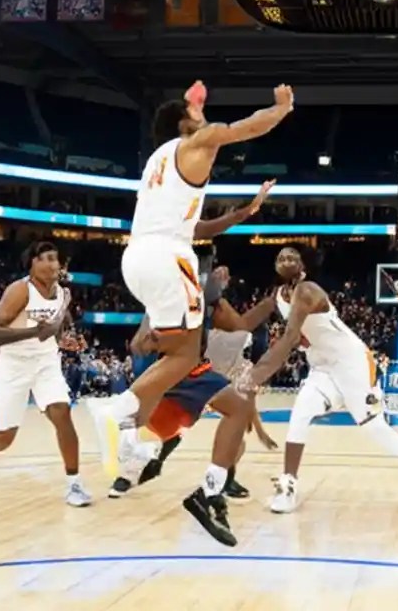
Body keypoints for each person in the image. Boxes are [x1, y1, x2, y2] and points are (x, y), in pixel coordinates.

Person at [99, 81, 293, 537]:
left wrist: (244, 213)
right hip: (167, 260)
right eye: (197, 114)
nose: (206, 120)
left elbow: (194, 225)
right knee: (182, 355)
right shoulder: (194, 142)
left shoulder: (158, 164)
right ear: (184, 124)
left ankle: (206, 492)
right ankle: (118, 416)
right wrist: (282, 108)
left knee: (231, 400)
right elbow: (243, 128)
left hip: (141, 258)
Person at [238, 246, 398, 514]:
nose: (286, 260)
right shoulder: (277, 295)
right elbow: (244, 322)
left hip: (352, 363)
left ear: (303, 267)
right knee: (300, 411)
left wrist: (256, 375)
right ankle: (288, 484)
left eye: (292, 257)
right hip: (323, 366)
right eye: (281, 257)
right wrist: (215, 330)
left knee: (373, 427)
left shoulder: (308, 290)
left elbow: (290, 338)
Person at [109, 263, 278, 507]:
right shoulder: (166, 298)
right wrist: (144, 340)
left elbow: (241, 324)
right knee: (149, 422)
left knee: (234, 414)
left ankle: (220, 482)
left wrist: (269, 304)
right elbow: (141, 339)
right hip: (173, 367)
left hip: (201, 369)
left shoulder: (212, 305)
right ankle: (129, 473)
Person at [0, 240, 89, 507]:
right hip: (14, 365)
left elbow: (55, 328)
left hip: (46, 362)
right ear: (32, 264)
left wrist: (59, 339)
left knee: (62, 412)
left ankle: (74, 485)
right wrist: (34, 332)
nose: (50, 264)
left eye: (54, 258)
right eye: (44, 258)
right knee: (4, 440)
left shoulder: (64, 295)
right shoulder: (19, 291)